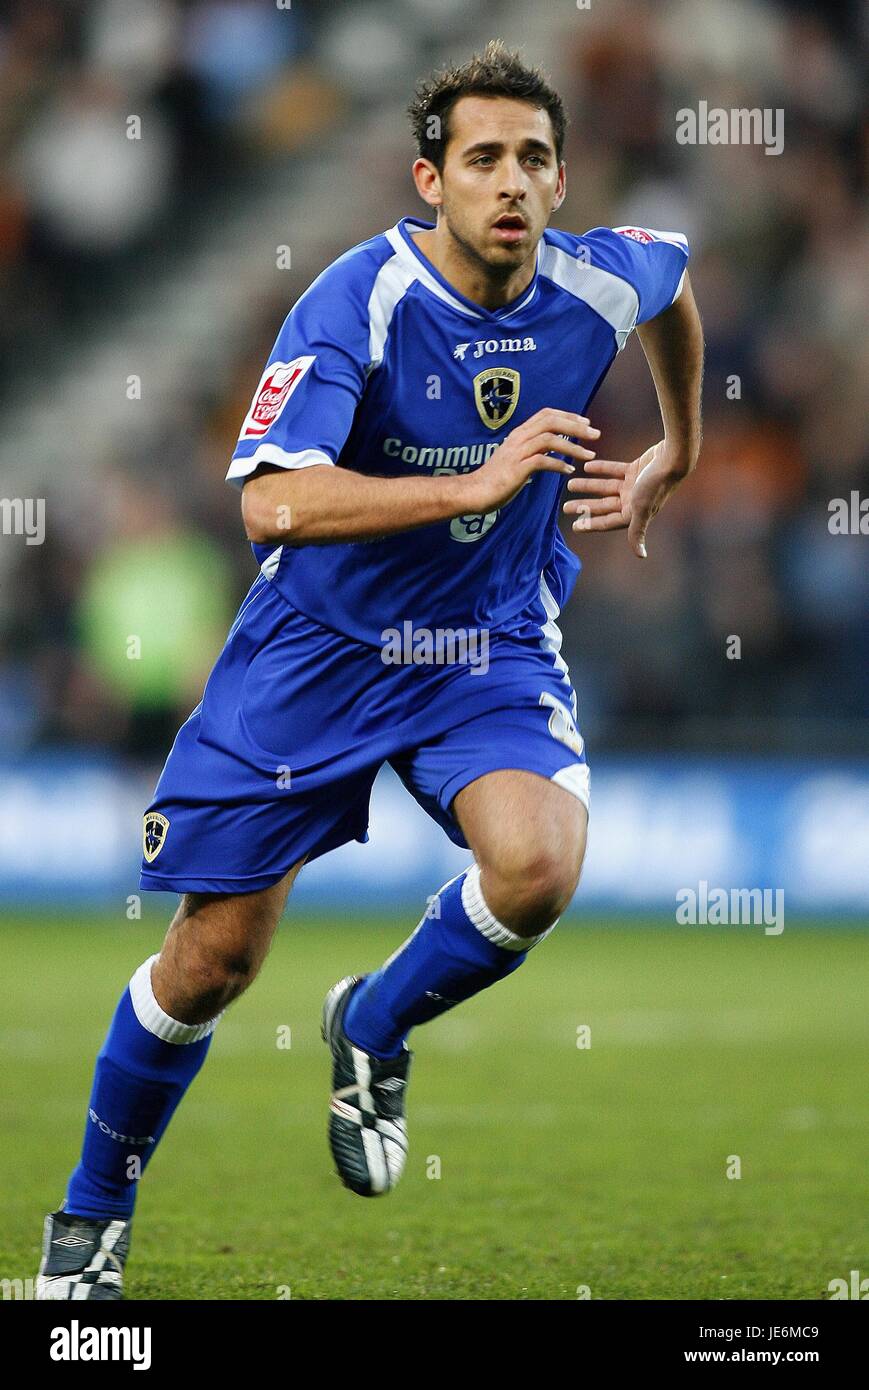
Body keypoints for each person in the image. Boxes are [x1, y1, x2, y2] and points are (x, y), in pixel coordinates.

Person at [37, 40, 703, 1299]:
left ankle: (372, 1021)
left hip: (481, 642)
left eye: (533, 160)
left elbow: (673, 292)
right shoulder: (356, 297)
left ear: (561, 184)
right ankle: (90, 1223)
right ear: (428, 180)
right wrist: (480, 477)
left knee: (538, 864)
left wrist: (677, 444)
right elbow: (272, 508)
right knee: (212, 962)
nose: (510, 182)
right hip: (318, 650)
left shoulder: (602, 277)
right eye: (482, 159)